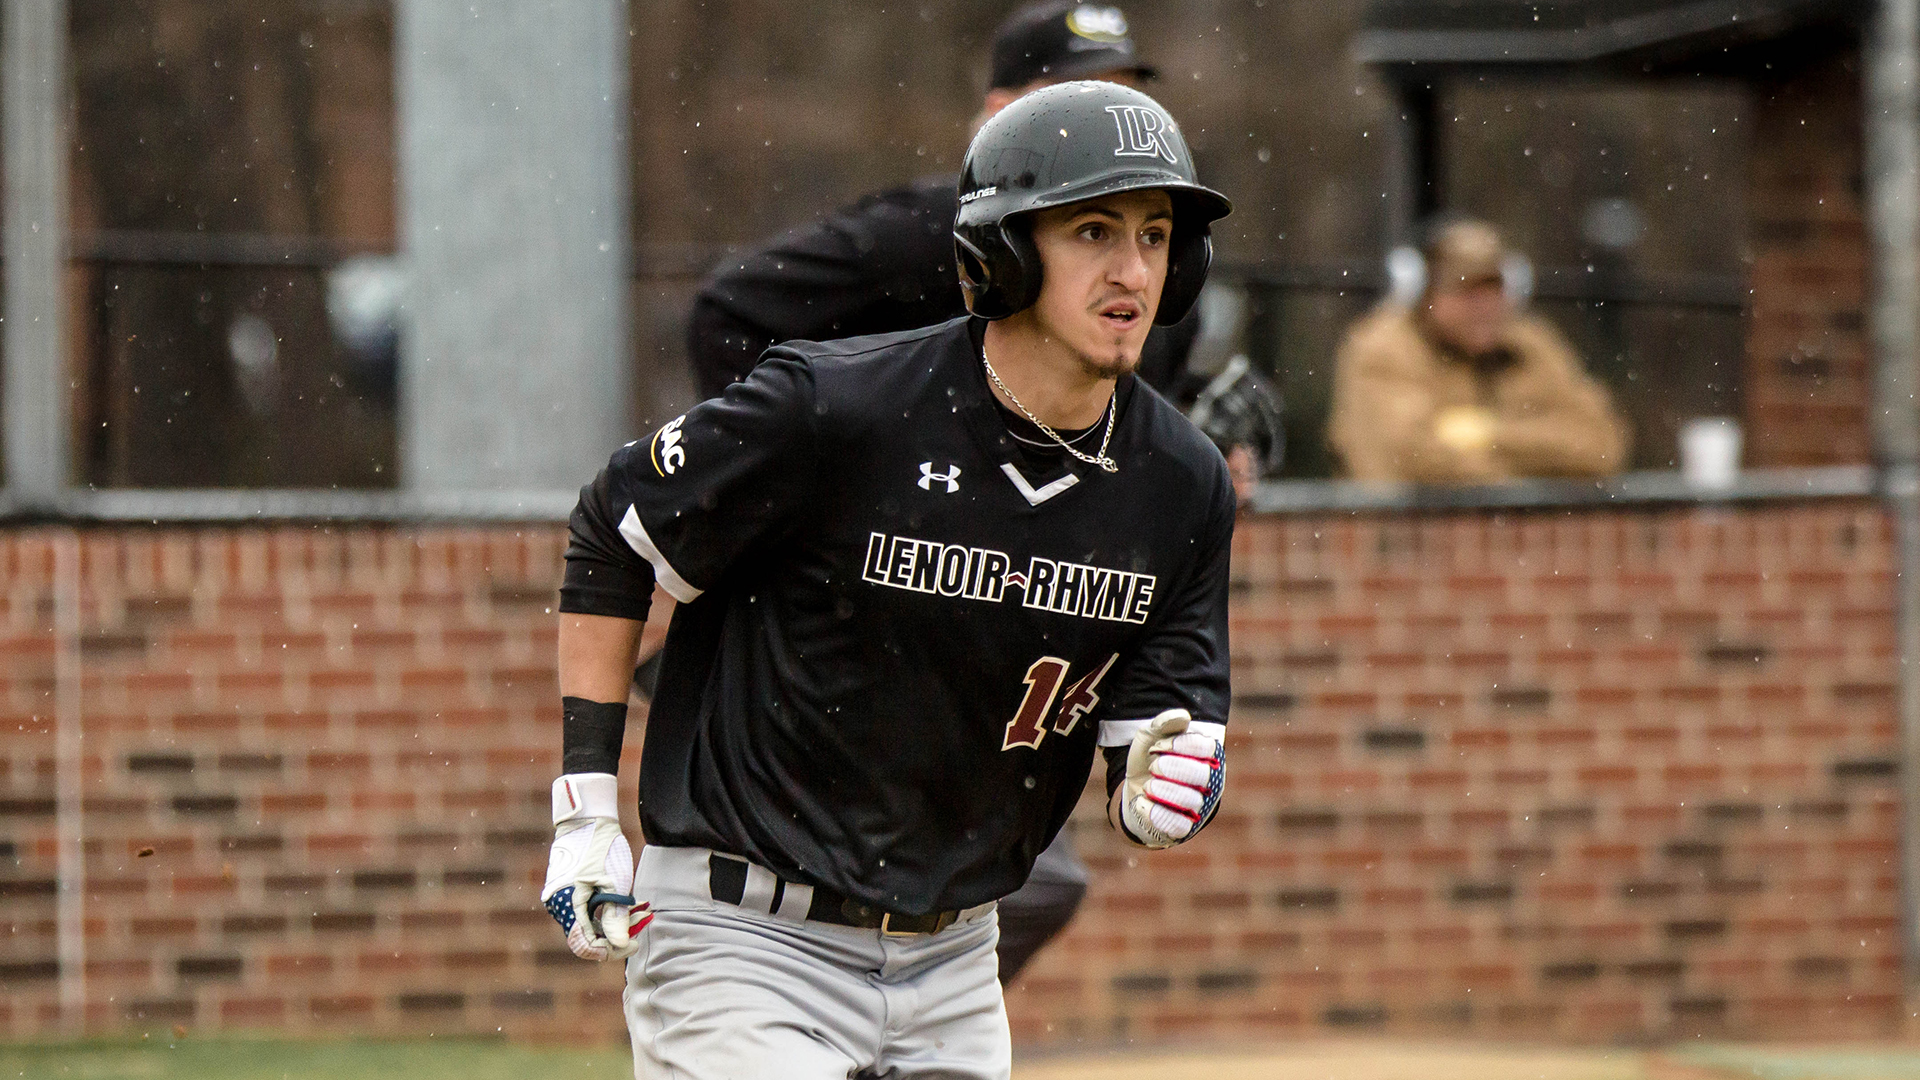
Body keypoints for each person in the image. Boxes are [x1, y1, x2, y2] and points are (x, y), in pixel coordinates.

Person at [543, 82, 1234, 1080]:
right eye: (1093, 229)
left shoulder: (1182, 484)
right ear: (1001, 251)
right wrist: (584, 812)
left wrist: (1168, 776)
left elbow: (1170, 716)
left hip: (955, 961)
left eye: (1157, 234)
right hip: (746, 943)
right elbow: (615, 530)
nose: (1133, 268)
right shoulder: (835, 406)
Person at [682, 0, 1181, 984]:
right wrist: (817, 489)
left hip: (1019, 603)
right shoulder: (931, 234)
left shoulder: (1146, 255)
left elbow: (1137, 414)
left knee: (1030, 880)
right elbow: (728, 314)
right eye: (1077, 95)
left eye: (1124, 94)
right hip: (876, 602)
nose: (1111, 120)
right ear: (998, 113)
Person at [1327, 218, 1628, 484]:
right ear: (1420, 294)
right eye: (1465, 292)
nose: (1484, 307)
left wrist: (1485, 435)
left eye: (1494, 290)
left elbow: (1602, 446)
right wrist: (1538, 469)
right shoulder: (1382, 348)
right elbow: (1408, 461)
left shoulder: (1532, 344)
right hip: (1406, 542)